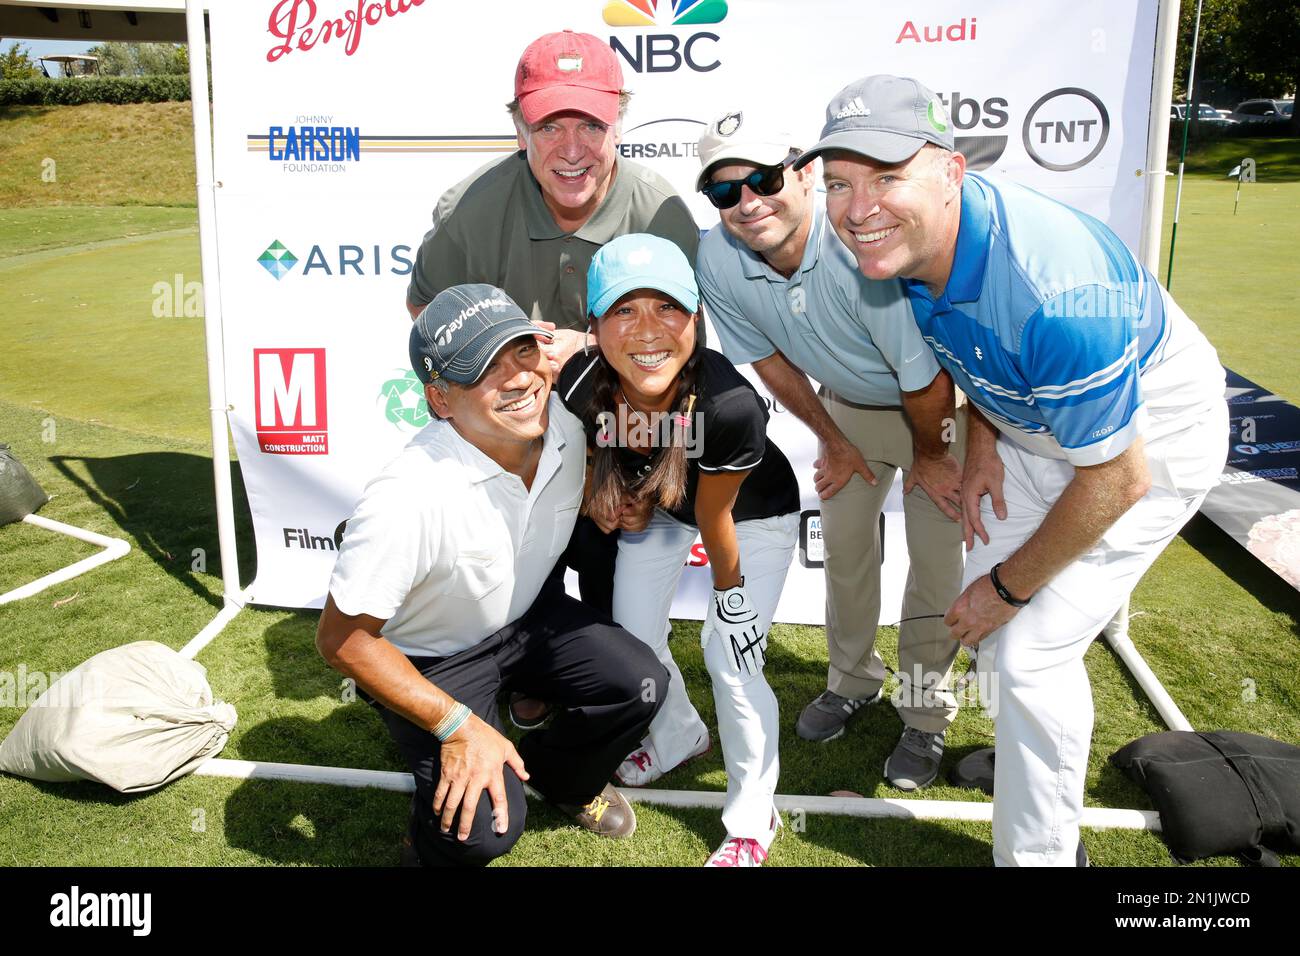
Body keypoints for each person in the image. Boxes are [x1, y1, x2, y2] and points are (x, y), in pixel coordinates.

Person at [801, 74, 1229, 865]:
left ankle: (1045, 856)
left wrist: (1006, 588)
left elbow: (1118, 478)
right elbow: (981, 360)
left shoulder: (1055, 291)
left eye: (887, 177)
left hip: (1148, 441)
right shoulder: (907, 241)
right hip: (1036, 432)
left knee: (1025, 649)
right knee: (1000, 647)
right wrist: (987, 445)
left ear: (953, 173)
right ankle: (1035, 761)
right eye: (839, 183)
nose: (858, 208)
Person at [316, 283, 668, 867]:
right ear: (440, 400)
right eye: (485, 369)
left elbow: (632, 435)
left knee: (640, 684)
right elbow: (340, 641)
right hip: (433, 659)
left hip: (528, 619)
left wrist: (618, 496)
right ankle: (423, 853)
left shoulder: (567, 420)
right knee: (482, 832)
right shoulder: (407, 497)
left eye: (523, 351)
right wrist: (456, 725)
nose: (519, 379)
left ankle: (564, 781)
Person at [692, 110, 965, 790]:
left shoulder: (860, 242)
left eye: (763, 178)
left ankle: (925, 718)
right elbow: (768, 359)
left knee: (934, 568)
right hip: (850, 408)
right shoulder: (717, 256)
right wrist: (833, 440)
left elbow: (924, 375)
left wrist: (932, 458)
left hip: (937, 411)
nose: (748, 201)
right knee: (845, 551)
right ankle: (851, 681)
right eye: (727, 192)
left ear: (805, 172)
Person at [406, 29, 700, 625]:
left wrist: (627, 461)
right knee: (506, 559)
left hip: (617, 415)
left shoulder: (661, 213)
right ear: (520, 130)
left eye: (591, 125)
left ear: (619, 125)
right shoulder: (472, 207)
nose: (572, 149)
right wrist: (512, 377)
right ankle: (521, 652)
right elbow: (429, 314)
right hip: (513, 419)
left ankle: (609, 662)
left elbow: (681, 354)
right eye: (549, 127)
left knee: (609, 571)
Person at [556, 234, 802, 867]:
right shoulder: (580, 382)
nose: (646, 331)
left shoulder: (728, 405)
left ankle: (753, 819)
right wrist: (620, 494)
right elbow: (599, 451)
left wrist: (734, 602)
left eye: (666, 307)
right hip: (670, 508)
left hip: (748, 516)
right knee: (633, 640)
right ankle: (678, 736)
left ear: (696, 318)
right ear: (595, 327)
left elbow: (715, 511)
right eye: (623, 310)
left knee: (732, 657)